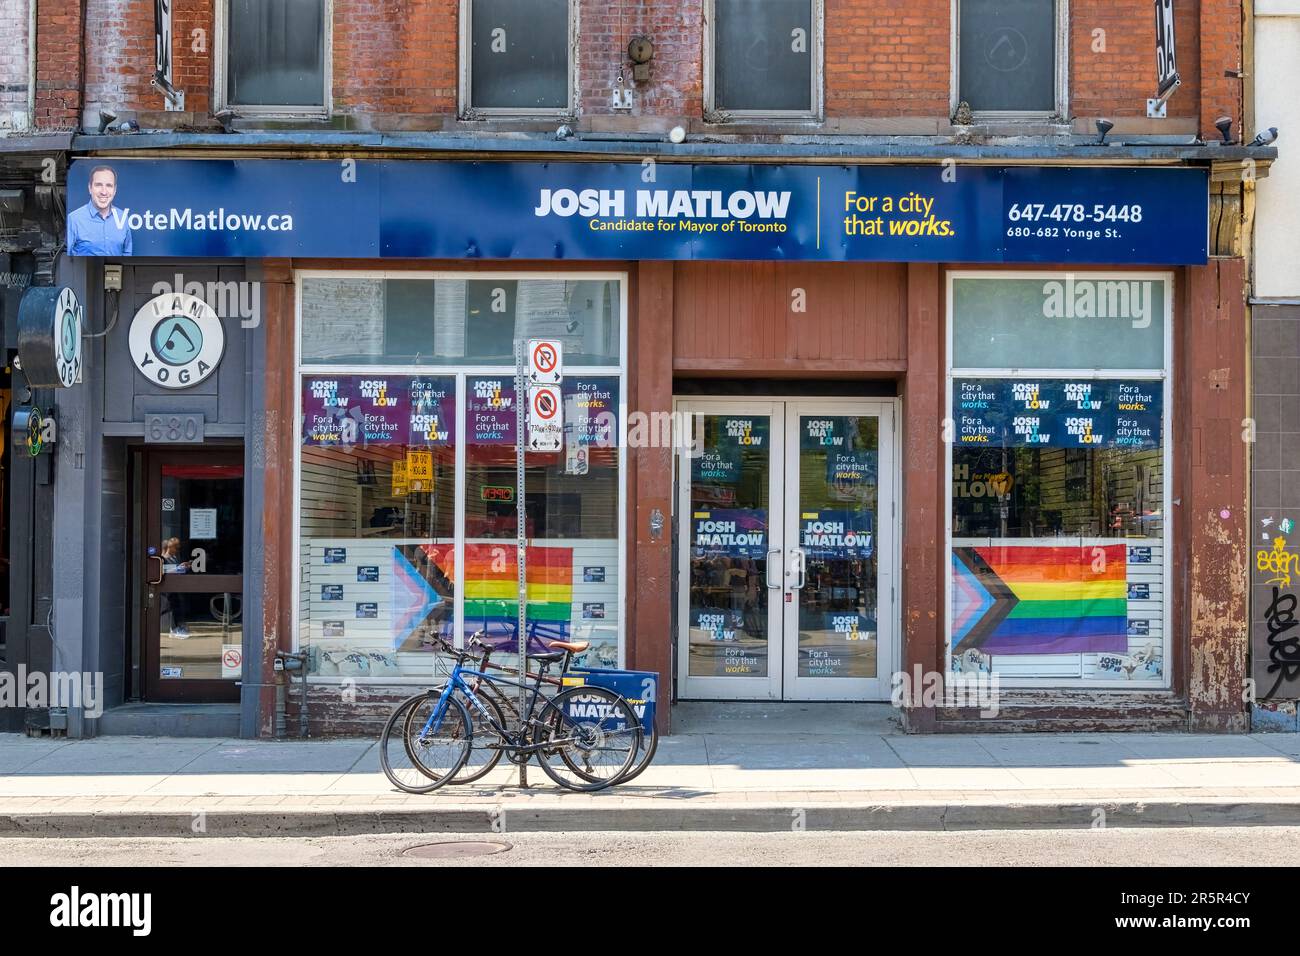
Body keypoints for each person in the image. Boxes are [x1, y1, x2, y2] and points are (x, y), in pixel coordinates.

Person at [67, 165, 133, 256]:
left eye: (109, 185)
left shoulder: (122, 216)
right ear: (90, 188)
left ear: (114, 190)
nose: (104, 192)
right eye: (98, 185)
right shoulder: (74, 219)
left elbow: (127, 252)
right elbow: (67, 258)